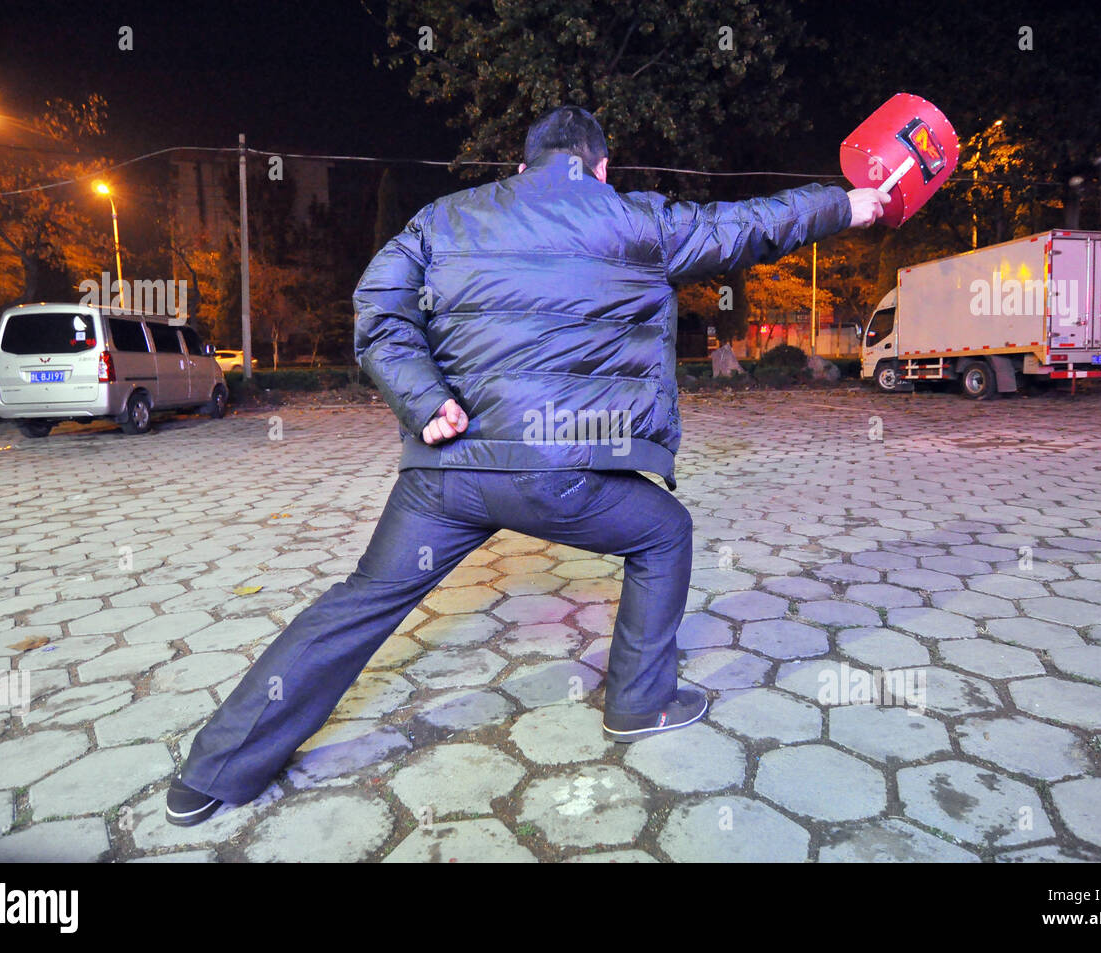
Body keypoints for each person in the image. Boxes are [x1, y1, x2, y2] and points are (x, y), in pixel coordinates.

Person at [165, 105, 888, 826]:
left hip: (446, 474)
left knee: (359, 601)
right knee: (663, 530)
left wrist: (426, 400)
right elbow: (749, 226)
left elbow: (378, 310)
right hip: (560, 471)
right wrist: (849, 204)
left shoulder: (442, 220)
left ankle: (212, 772)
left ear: (522, 165)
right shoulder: (638, 221)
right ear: (601, 167)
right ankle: (640, 702)